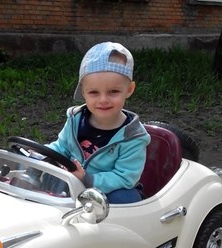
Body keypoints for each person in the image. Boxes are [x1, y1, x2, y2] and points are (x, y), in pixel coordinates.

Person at [47, 41, 150, 203]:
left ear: (129, 90)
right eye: (94, 92)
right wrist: (40, 154)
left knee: (124, 198)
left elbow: (125, 177)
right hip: (73, 181)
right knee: (47, 176)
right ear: (83, 92)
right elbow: (61, 148)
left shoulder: (133, 136)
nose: (103, 100)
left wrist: (87, 178)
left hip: (108, 190)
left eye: (113, 91)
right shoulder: (76, 120)